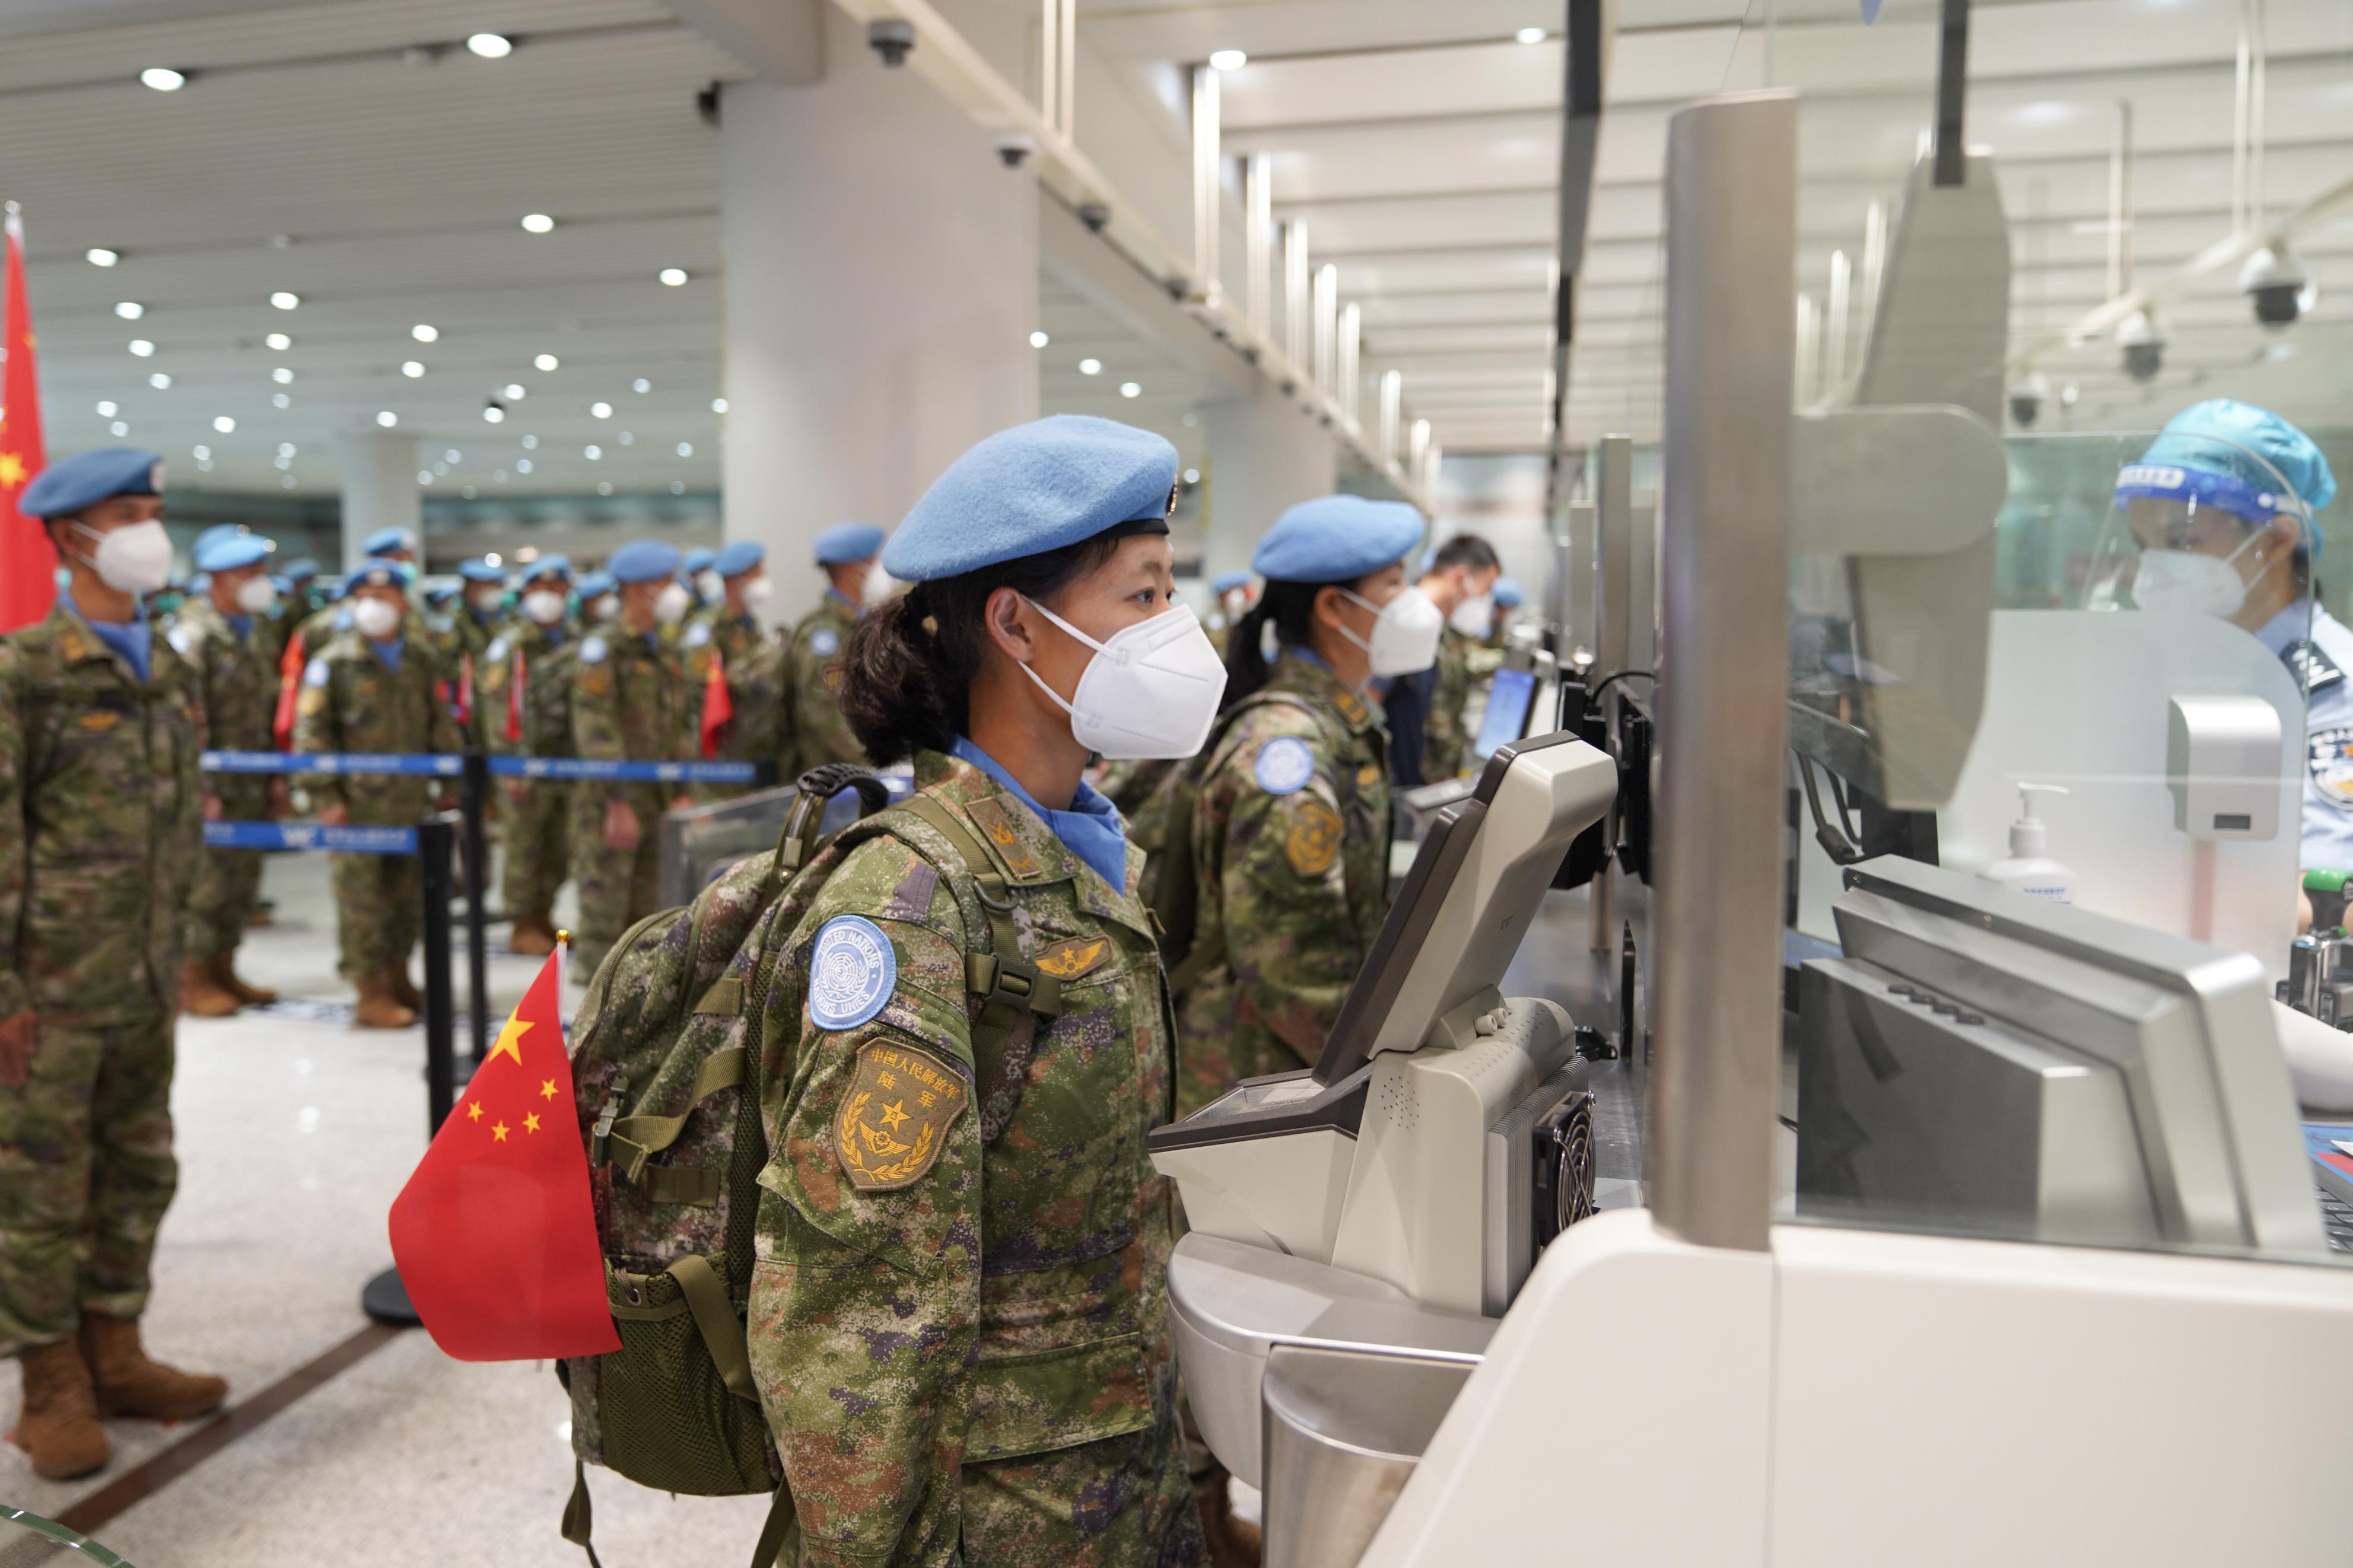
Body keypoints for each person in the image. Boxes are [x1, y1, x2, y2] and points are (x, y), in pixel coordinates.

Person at [750, 414, 1211, 1567]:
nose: (1174, 633)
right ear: (1016, 624)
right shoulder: (913, 901)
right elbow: (856, 1314)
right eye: (1143, 597)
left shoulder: (1091, 852)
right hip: (1000, 1519)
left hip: (1117, 1474)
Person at [0, 448, 225, 1481]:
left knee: (139, 1166)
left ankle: (115, 1348)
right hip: (49, 987)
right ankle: (48, 1381)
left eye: (154, 509)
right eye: (127, 513)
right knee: (41, 1182)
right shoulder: (25, 672)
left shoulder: (168, 667)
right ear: (69, 537)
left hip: (141, 976)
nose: (148, 529)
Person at [1169, 494, 1439, 1117]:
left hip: (1290, 1068)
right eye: (1395, 584)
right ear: (1334, 608)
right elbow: (1291, 965)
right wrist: (1384, 1078)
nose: (1412, 601)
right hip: (1261, 1080)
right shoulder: (1291, 752)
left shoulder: (1334, 722)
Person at [2109, 399, 2344, 873]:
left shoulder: (2332, 692)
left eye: (2181, 541)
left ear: (2277, 540)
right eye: (2143, 544)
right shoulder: (2190, 662)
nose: (2154, 566)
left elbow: (2334, 897)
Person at [293, 560, 461, 1028]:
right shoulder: (334, 662)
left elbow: (440, 722)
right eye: (364, 596)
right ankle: (369, 990)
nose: (374, 605)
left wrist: (449, 784)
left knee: (406, 898)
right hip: (357, 807)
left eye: (384, 597)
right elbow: (311, 733)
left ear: (403, 603)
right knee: (362, 901)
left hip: (410, 804)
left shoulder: (421, 659)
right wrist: (325, 795)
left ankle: (398, 975)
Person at [171, 530, 286, 1016]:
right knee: (206, 887)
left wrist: (276, 777)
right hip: (212, 785)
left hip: (251, 781)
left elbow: (266, 710)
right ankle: (192, 979)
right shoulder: (193, 634)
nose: (261, 583)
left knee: (240, 884)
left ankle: (224, 967)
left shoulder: (255, 631)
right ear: (220, 578)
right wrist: (201, 787)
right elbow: (183, 719)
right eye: (252, 574)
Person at [568, 540, 694, 977]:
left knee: (650, 915)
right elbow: (596, 732)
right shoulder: (603, 651)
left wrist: (681, 790)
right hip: (614, 802)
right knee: (606, 910)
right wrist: (616, 801)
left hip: (657, 796)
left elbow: (676, 725)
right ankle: (590, 1022)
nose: (677, 590)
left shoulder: (659, 648)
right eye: (668, 582)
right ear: (642, 590)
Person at [484, 556, 575, 956]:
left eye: (556, 589)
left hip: (563, 763)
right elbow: (497, 707)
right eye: (540, 589)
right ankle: (521, 923)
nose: (549, 597)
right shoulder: (511, 644)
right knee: (524, 845)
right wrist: (508, 765)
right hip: (522, 763)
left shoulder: (573, 638)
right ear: (525, 595)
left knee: (556, 846)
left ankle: (542, 914)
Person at [784, 521, 886, 776]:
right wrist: (875, 766)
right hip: (837, 781)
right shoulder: (823, 635)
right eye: (873, 560)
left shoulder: (858, 622)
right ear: (855, 569)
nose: (880, 569)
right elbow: (826, 716)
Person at [1414, 534, 1502, 783]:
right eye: (1486, 590)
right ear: (1462, 578)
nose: (1485, 601)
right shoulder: (1412, 631)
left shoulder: (1442, 629)